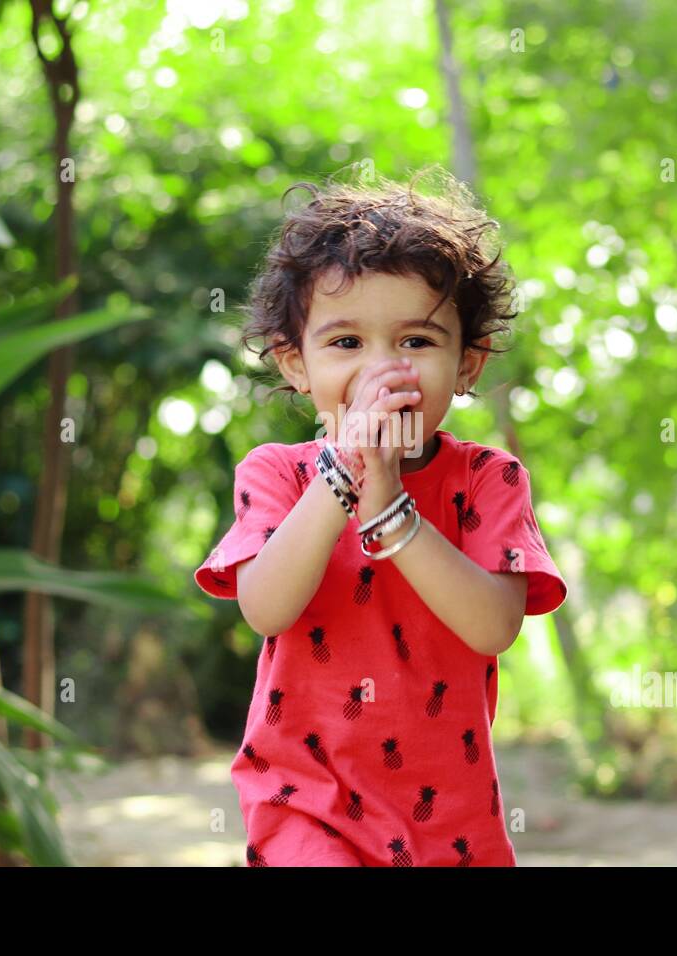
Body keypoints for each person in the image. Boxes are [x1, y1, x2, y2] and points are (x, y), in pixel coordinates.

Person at [194, 166, 567, 866]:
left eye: (417, 343)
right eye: (346, 344)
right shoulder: (276, 474)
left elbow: (493, 628)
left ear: (468, 364)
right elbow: (266, 608)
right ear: (294, 363)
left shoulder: (489, 480)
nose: (382, 371)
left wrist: (392, 508)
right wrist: (345, 473)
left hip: (449, 819)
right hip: (307, 801)